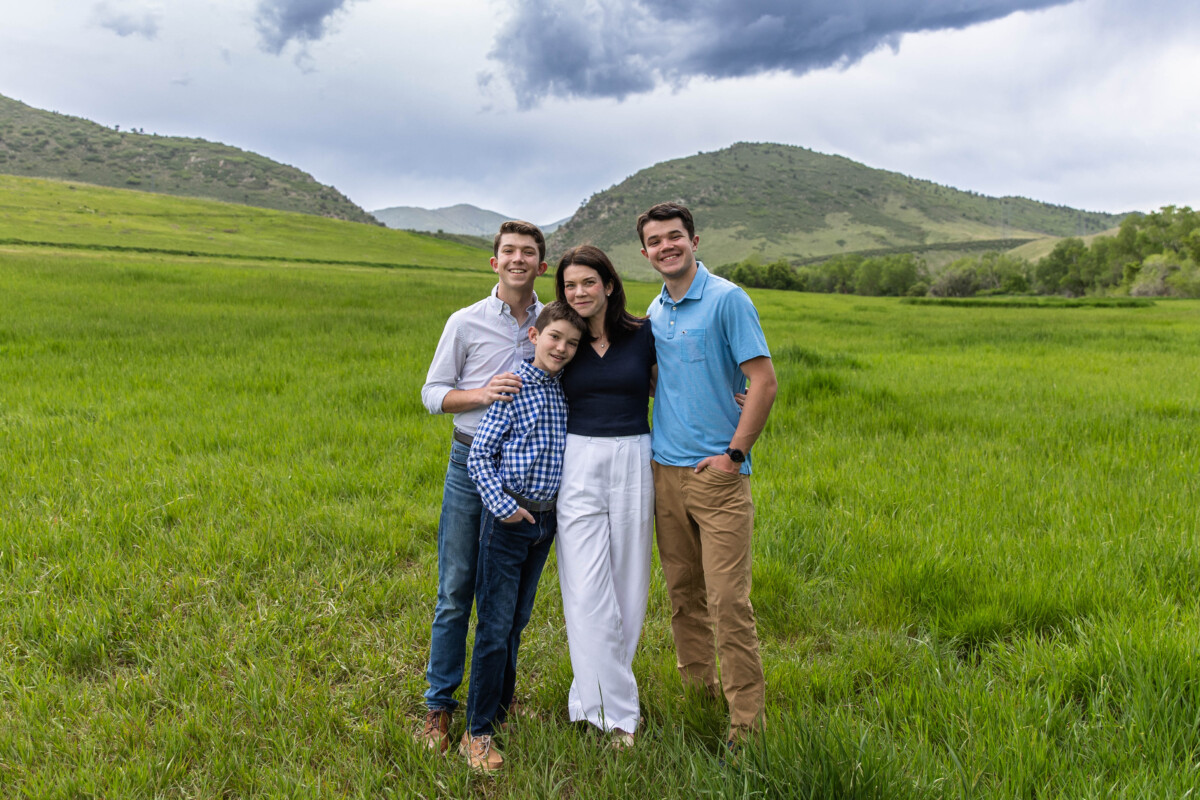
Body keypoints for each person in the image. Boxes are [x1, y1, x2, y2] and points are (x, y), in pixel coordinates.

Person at [637, 202, 779, 748]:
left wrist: (733, 455)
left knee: (728, 603)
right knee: (683, 596)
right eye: (655, 241)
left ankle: (747, 728)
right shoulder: (654, 310)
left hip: (717, 477)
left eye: (675, 236)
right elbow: (662, 381)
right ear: (645, 252)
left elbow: (763, 381)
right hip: (664, 473)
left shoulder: (727, 299)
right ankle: (699, 701)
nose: (666, 247)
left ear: (694, 241)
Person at [417, 220, 548, 754]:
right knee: (456, 589)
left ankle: (498, 701)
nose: (518, 259)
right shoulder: (466, 321)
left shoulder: (552, 323)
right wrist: (481, 393)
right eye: (508, 251)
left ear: (542, 265)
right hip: (470, 461)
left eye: (528, 252)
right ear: (495, 262)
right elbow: (432, 393)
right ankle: (439, 707)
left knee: (510, 600)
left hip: (526, 474)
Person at [462, 301, 587, 771]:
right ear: (534, 336)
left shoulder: (564, 389)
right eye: (555, 337)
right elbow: (480, 457)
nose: (562, 348)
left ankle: (500, 707)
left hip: (546, 522)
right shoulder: (513, 386)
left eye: (572, 343)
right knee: (494, 626)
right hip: (509, 520)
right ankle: (476, 732)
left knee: (517, 621)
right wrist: (504, 508)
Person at [554, 245, 656, 748]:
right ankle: (618, 715)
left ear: (609, 285)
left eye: (588, 282)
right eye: (570, 285)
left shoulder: (644, 334)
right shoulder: (564, 338)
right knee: (584, 587)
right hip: (578, 460)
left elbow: (673, 387)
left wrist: (730, 393)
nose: (579, 292)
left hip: (634, 456)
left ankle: (595, 700)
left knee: (629, 583)